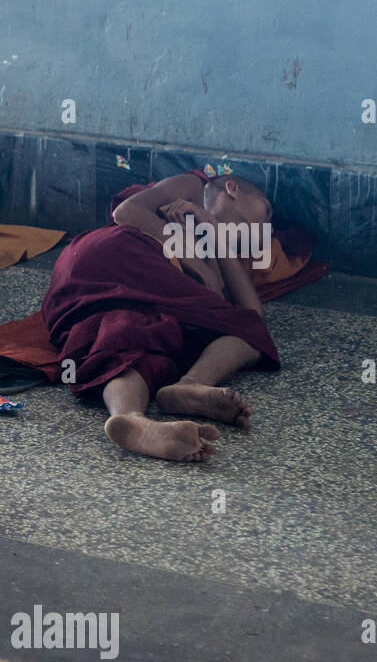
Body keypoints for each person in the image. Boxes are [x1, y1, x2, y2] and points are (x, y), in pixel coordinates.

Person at [40, 170, 280, 462]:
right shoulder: (195, 188)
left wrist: (216, 238)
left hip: (85, 279)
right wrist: (200, 267)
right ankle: (191, 383)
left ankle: (131, 418)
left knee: (131, 339)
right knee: (247, 331)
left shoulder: (213, 239)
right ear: (233, 189)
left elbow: (248, 312)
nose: (267, 224)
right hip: (123, 248)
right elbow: (126, 211)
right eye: (266, 210)